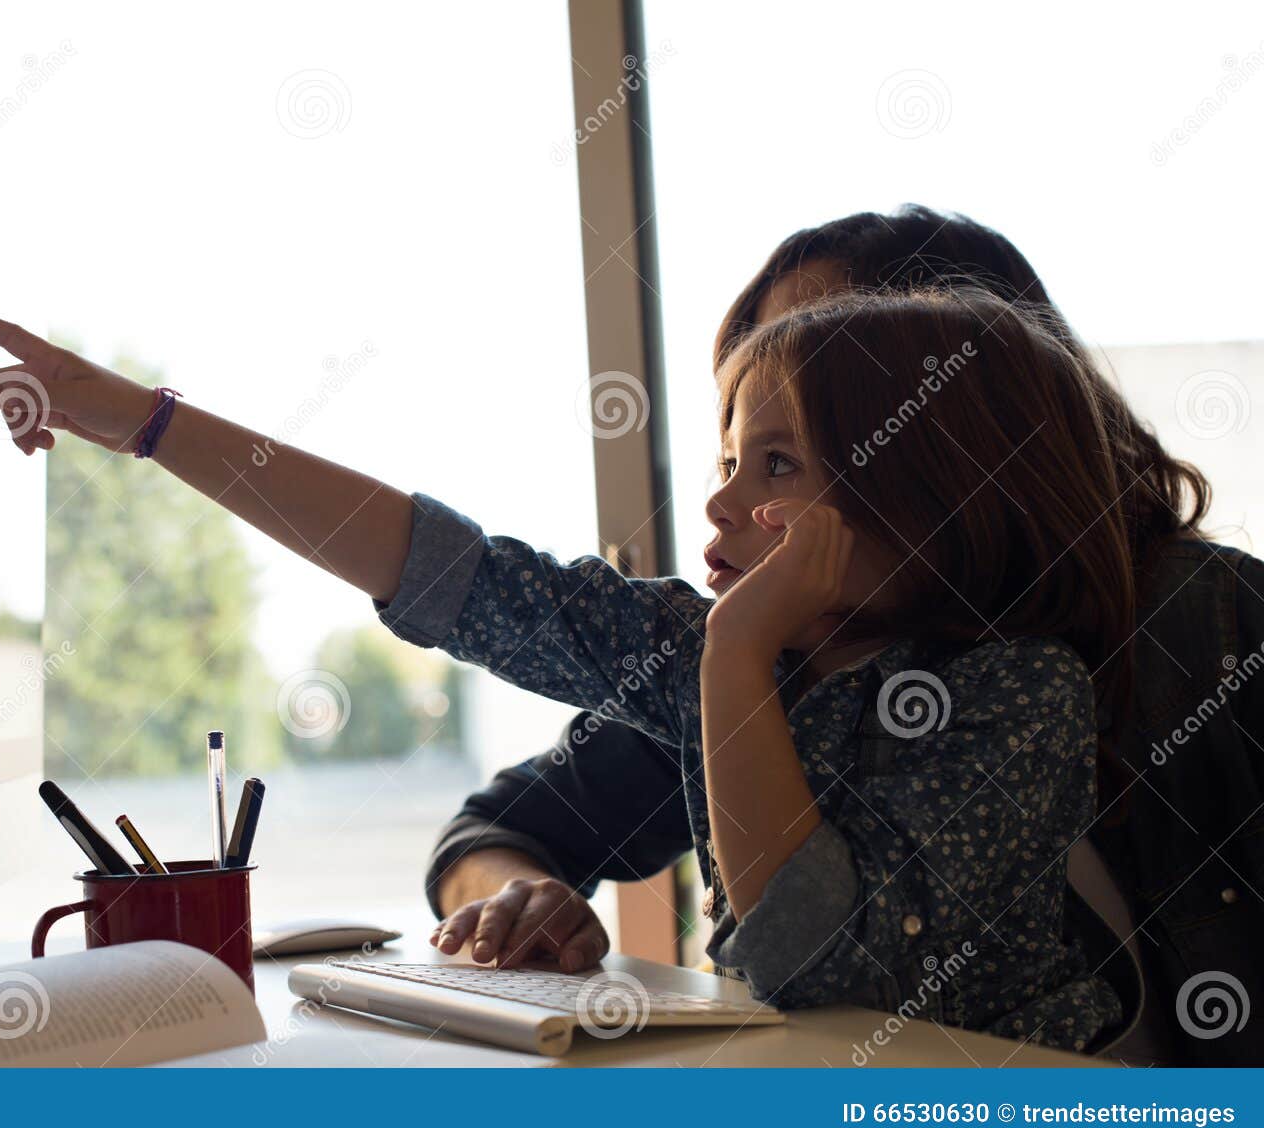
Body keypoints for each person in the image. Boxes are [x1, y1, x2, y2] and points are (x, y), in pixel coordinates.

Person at [0, 281, 1142, 1053]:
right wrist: (150, 426)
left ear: (927, 496)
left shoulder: (1021, 699)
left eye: (777, 466)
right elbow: (448, 573)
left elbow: (811, 962)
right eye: (729, 461)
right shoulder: (714, 650)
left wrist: (734, 653)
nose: (720, 502)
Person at [427, 207, 1263, 1066]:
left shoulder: (1217, 617)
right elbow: (496, 830)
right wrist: (518, 900)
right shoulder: (780, 660)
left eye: (842, 377)